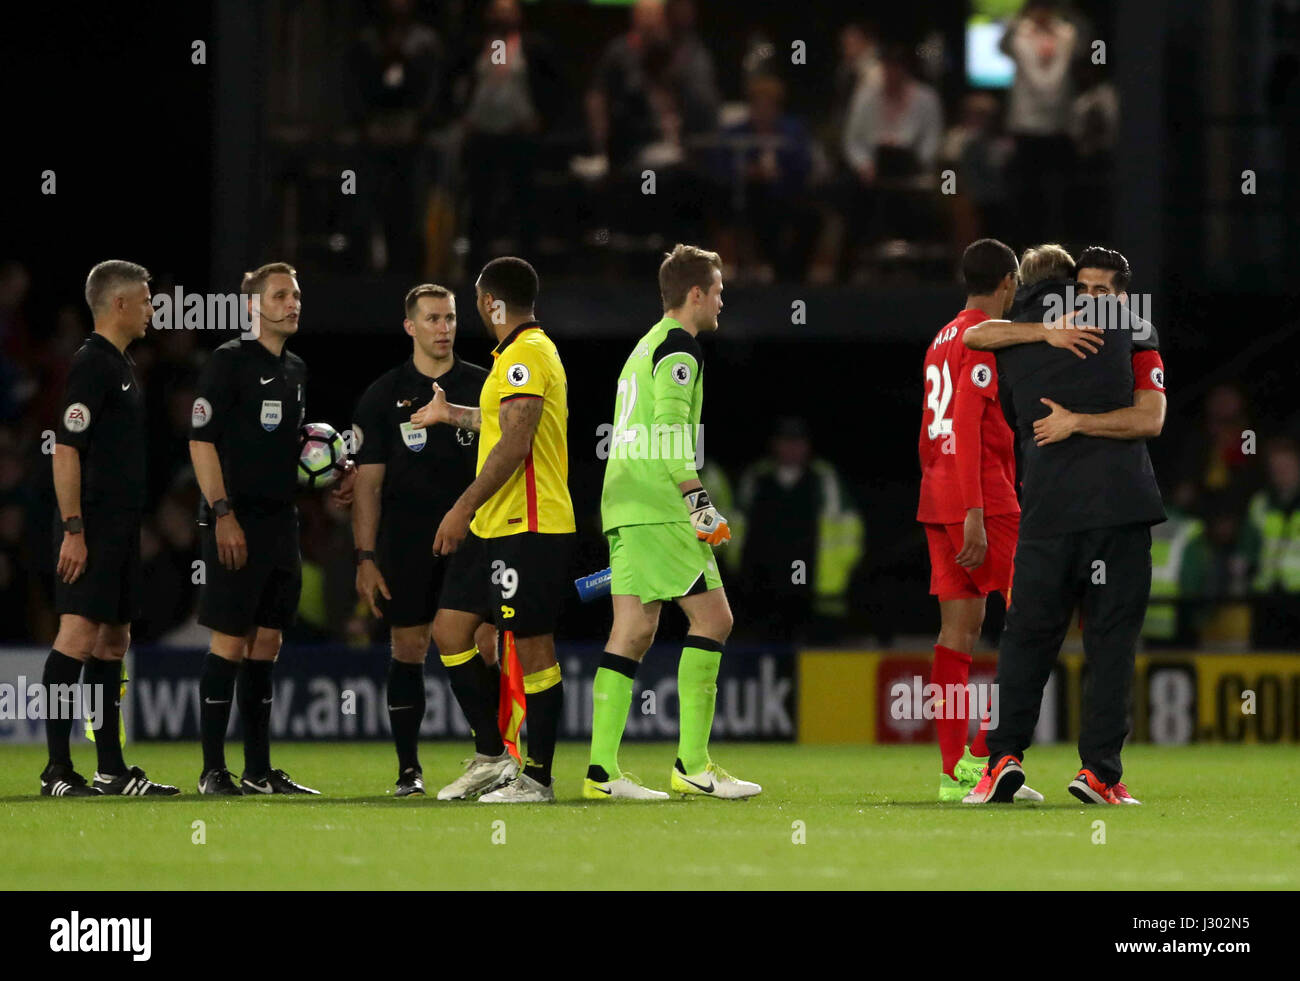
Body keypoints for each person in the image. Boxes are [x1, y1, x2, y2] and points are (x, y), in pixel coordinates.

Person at [962, 244, 1165, 805]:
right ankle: (1099, 772)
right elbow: (1152, 419)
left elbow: (974, 337)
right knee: (1110, 646)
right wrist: (1083, 420)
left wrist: (1067, 410)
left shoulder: (1014, 333)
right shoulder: (1134, 328)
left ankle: (1001, 758)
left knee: (1026, 641)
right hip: (1119, 510)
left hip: (1048, 512)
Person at [580, 244, 757, 800]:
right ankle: (693, 765)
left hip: (624, 502)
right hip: (660, 506)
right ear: (696, 294)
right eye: (719, 290)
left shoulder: (643, 346)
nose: (724, 300)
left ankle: (601, 773)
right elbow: (669, 428)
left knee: (632, 631)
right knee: (715, 619)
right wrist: (697, 501)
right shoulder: (680, 347)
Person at [409, 257, 575, 803]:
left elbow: (517, 441)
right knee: (451, 630)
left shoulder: (528, 352)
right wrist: (449, 413)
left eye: (477, 299)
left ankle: (540, 778)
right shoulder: (513, 356)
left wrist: (459, 508)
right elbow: (500, 421)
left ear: (490, 302)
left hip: (529, 523)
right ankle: (492, 756)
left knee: (533, 648)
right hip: (496, 525)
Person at [917, 239, 1055, 804]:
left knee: (959, 631)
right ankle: (988, 754)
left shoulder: (941, 336)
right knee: (1034, 617)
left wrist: (947, 501)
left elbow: (934, 428)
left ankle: (957, 771)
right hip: (984, 500)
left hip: (938, 495)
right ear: (1008, 283)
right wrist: (974, 511)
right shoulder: (980, 342)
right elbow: (970, 426)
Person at [350, 284, 497, 797]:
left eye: (451, 318)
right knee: (409, 646)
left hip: (474, 538)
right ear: (410, 326)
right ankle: (408, 770)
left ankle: (495, 756)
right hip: (406, 541)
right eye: (433, 319)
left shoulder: (485, 385)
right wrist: (366, 556)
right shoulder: (382, 394)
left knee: (484, 644)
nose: (444, 328)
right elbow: (366, 484)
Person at [43, 260, 180, 797]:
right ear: (119, 304)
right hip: (92, 525)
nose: (153, 308)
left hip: (120, 527)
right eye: (146, 300)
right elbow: (65, 450)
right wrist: (74, 528)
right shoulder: (93, 365)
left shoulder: (123, 365)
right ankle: (57, 769)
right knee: (77, 637)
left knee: (113, 641)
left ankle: (110, 768)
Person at [189, 262, 320, 796]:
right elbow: (201, 441)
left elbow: (286, 450)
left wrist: (330, 473)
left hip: (279, 522)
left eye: (296, 294)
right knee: (230, 641)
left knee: (267, 642)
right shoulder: (227, 363)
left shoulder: (296, 371)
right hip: (234, 518)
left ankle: (259, 771)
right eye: (281, 295)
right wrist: (222, 514)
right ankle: (212, 771)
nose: (293, 303)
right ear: (253, 307)